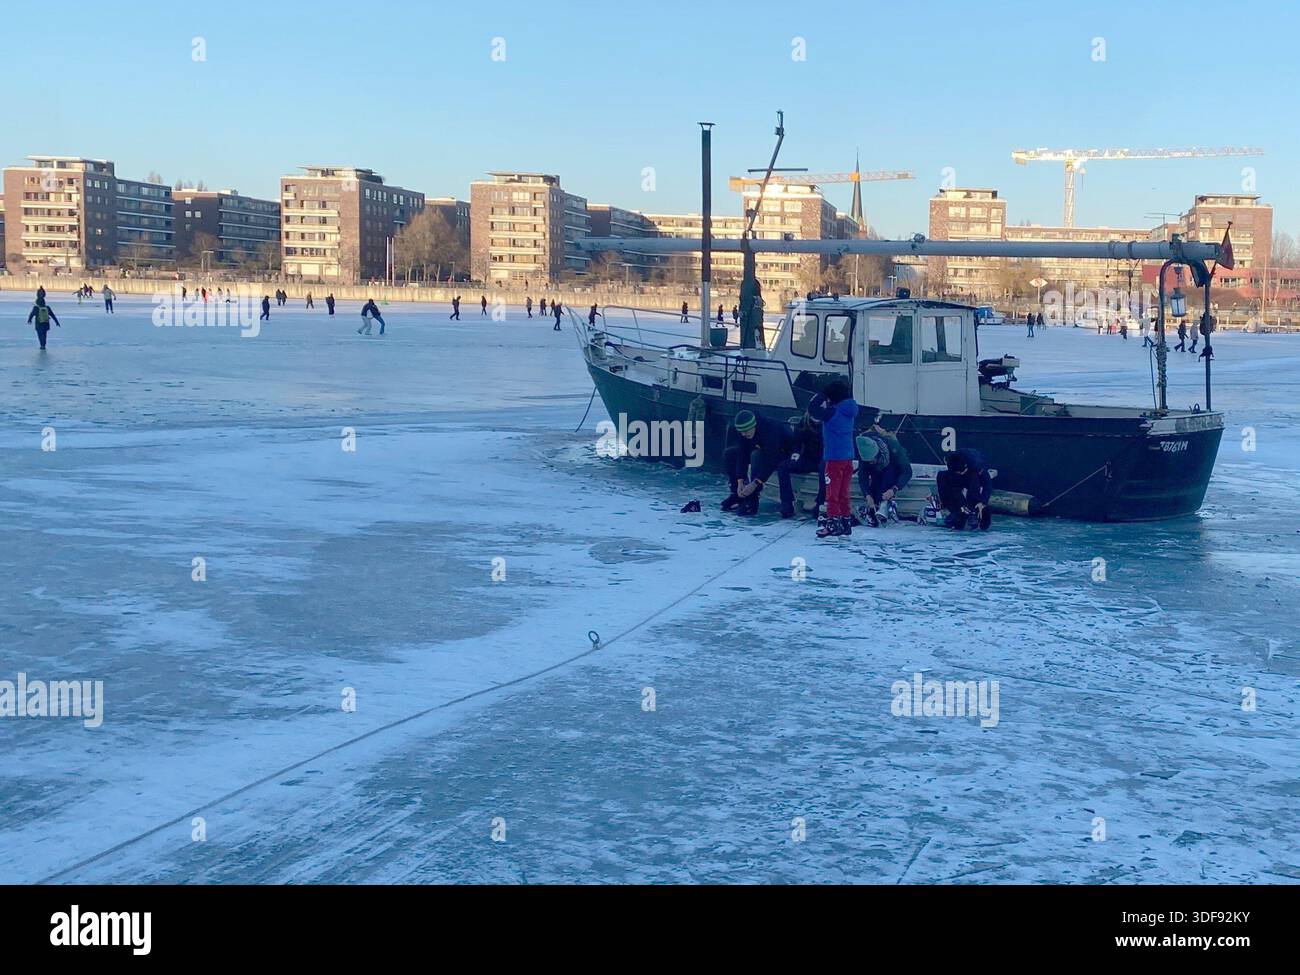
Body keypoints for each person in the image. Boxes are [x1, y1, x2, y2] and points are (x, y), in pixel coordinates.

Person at [721, 410, 798, 517]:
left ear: (754, 425)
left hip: (783, 452)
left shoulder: (771, 430)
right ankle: (738, 495)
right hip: (762, 449)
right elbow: (742, 453)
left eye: (746, 431)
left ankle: (752, 499)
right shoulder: (744, 432)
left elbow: (771, 459)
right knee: (730, 453)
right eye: (741, 432)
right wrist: (740, 480)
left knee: (756, 456)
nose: (744, 434)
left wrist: (755, 483)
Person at [807, 379, 859, 537]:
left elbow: (813, 409)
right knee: (844, 492)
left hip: (834, 459)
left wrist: (823, 394)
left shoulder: (832, 413)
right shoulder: (849, 410)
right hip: (848, 458)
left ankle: (833, 524)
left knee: (832, 493)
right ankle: (845, 523)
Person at [855, 421, 912, 526]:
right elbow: (863, 476)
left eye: (872, 460)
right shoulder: (864, 453)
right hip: (876, 473)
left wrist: (894, 489)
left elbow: (907, 472)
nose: (871, 462)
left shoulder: (894, 447)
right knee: (874, 490)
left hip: (892, 471)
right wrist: (867, 495)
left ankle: (884, 504)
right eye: (868, 461)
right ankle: (873, 507)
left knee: (886, 479)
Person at [775, 412, 823, 519]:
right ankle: (786, 503)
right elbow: (796, 441)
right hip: (808, 459)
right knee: (783, 467)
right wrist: (796, 453)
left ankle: (820, 503)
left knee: (824, 469)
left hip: (824, 459)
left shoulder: (829, 422)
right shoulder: (804, 423)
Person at [937, 448, 992, 530]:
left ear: (966, 465)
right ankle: (954, 509)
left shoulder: (977, 464)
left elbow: (987, 484)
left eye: (962, 472)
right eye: (958, 472)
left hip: (973, 475)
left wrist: (982, 502)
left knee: (973, 482)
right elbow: (952, 488)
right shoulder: (952, 462)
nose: (961, 473)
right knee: (942, 477)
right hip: (956, 477)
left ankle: (973, 511)